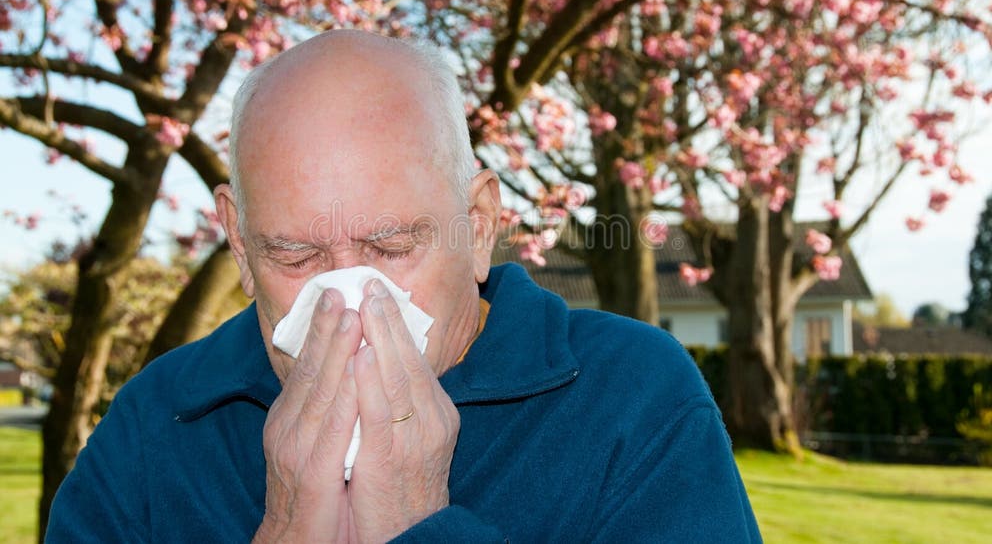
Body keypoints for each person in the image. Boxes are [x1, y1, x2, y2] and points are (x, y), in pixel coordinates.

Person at [46, 30, 762, 542]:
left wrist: (420, 526)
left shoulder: (633, 398)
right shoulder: (155, 425)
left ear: (477, 226)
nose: (347, 301)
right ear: (238, 240)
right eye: (294, 255)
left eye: (390, 248)